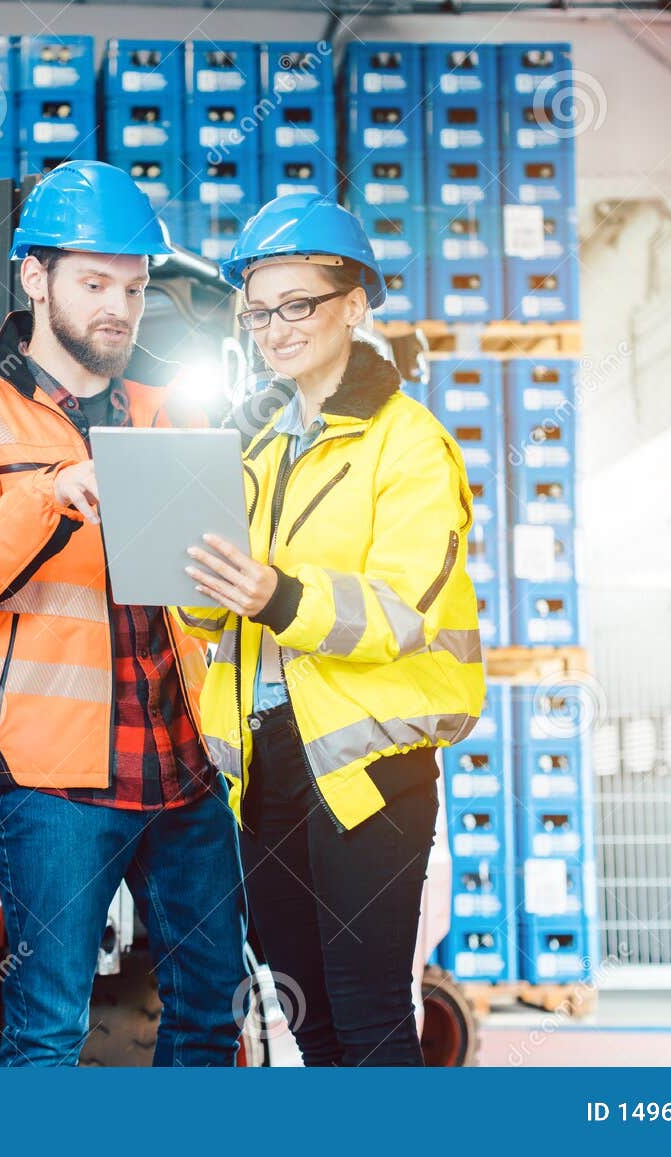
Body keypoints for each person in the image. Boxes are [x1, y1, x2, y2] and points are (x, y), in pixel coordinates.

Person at [0, 160, 246, 1067]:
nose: (118, 309)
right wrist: (53, 494)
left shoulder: (163, 413)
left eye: (133, 288)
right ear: (34, 276)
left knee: (211, 1023)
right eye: (95, 283)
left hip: (185, 770)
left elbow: (207, 592)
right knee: (46, 1034)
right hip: (54, 781)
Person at [175, 192, 487, 1067]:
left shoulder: (409, 444)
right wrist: (189, 576)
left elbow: (399, 609)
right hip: (267, 762)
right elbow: (223, 611)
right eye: (260, 311)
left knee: (369, 1013)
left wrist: (276, 594)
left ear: (355, 303)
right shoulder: (262, 449)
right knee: (307, 1021)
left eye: (297, 304)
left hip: (367, 770)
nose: (275, 328)